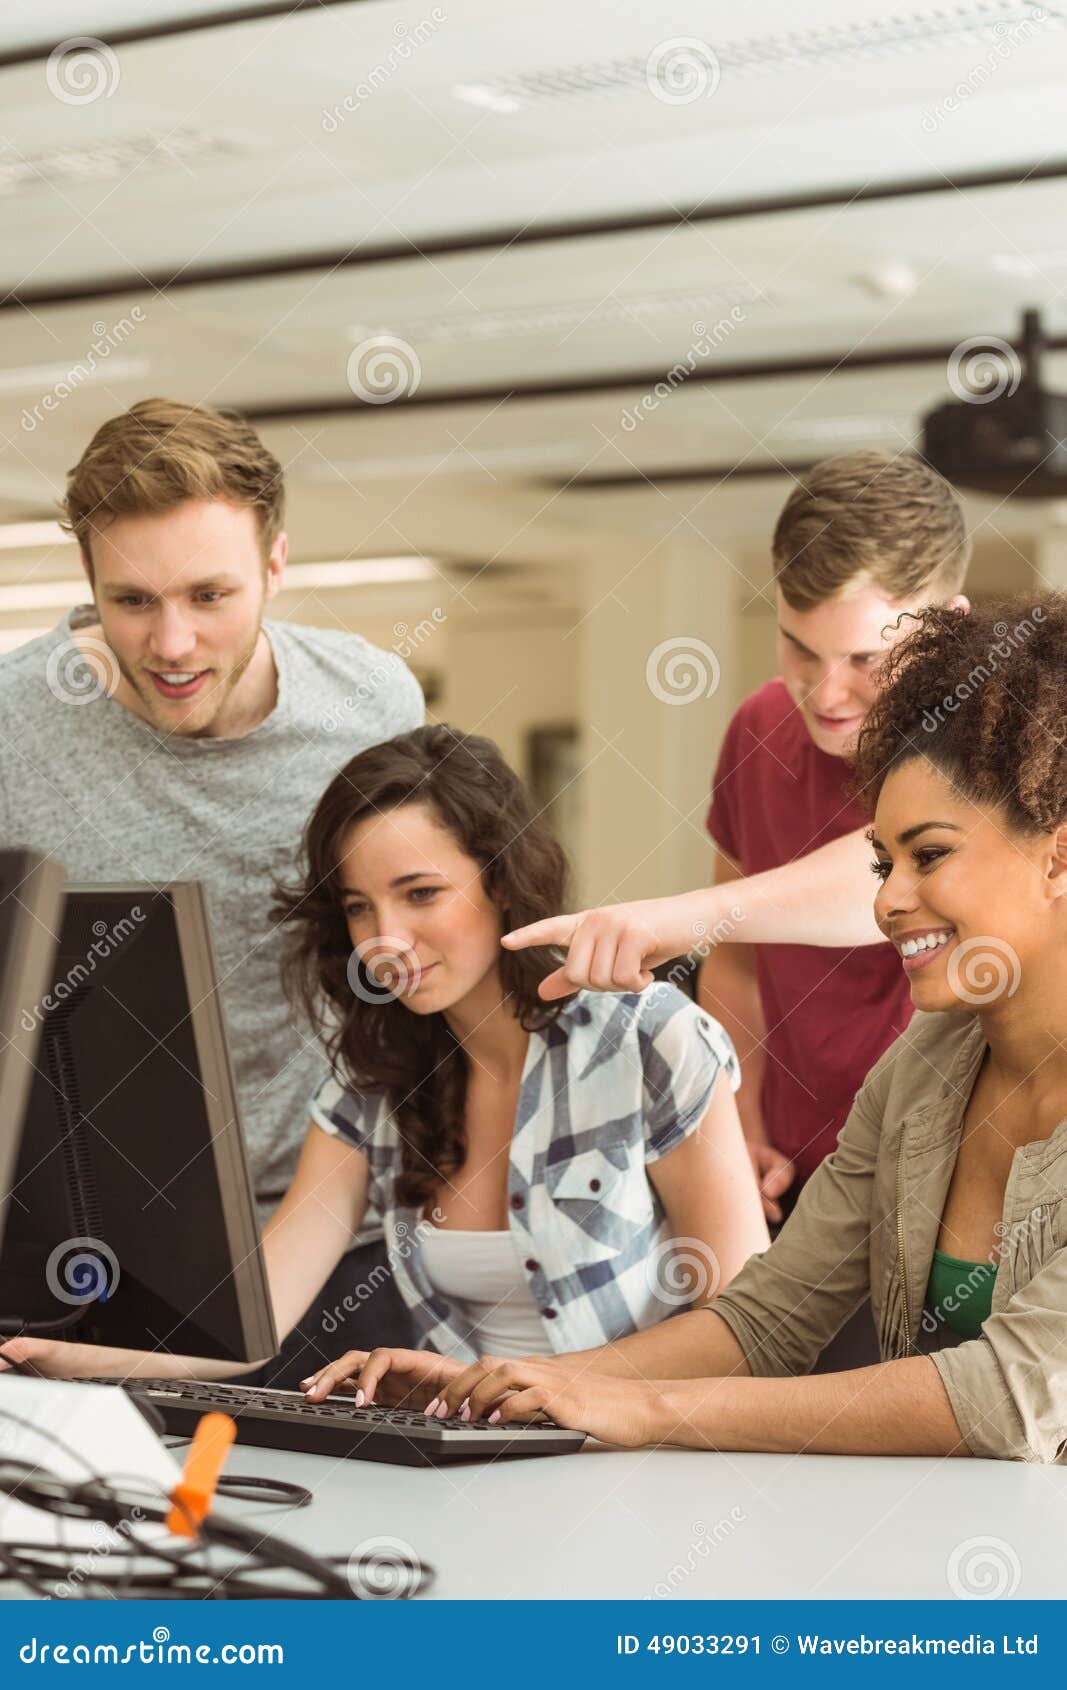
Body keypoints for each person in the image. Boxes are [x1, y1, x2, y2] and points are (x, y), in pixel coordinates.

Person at [311, 596, 1067, 1465]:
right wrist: (507, 1388)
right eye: (882, 862)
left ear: (1055, 853)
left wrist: (642, 1407)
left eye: (927, 855)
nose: (888, 900)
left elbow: (1011, 1397)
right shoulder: (920, 1071)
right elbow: (765, 1319)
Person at [0, 727, 768, 1388]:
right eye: (359, 907)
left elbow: (747, 1325)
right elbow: (250, 1323)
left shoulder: (649, 1037)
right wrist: (69, 1360)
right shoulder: (372, 1083)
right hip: (472, 1467)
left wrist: (540, 1388)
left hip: (646, 1460)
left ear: (503, 882)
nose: (385, 941)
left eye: (421, 894)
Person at [0, 398, 424, 1365]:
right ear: (87, 581)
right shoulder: (12, 726)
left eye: (208, 596)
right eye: (132, 601)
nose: (173, 644)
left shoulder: (370, 706)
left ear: (275, 564)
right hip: (78, 1255)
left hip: (332, 1241)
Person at [497, 454, 971, 1228]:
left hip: (949, 1171)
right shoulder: (760, 728)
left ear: (948, 626)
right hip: (795, 1168)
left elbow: (883, 872)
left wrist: (672, 918)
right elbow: (738, 958)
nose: (826, 692)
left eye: (865, 659)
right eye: (799, 648)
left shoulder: (990, 738)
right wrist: (740, 1123)